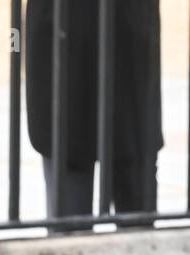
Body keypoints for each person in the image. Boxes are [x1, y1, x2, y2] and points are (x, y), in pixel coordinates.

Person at [25, 0, 162, 228]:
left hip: (126, 41)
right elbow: (14, 36)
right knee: (71, 219)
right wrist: (15, 45)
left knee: (134, 210)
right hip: (62, 41)